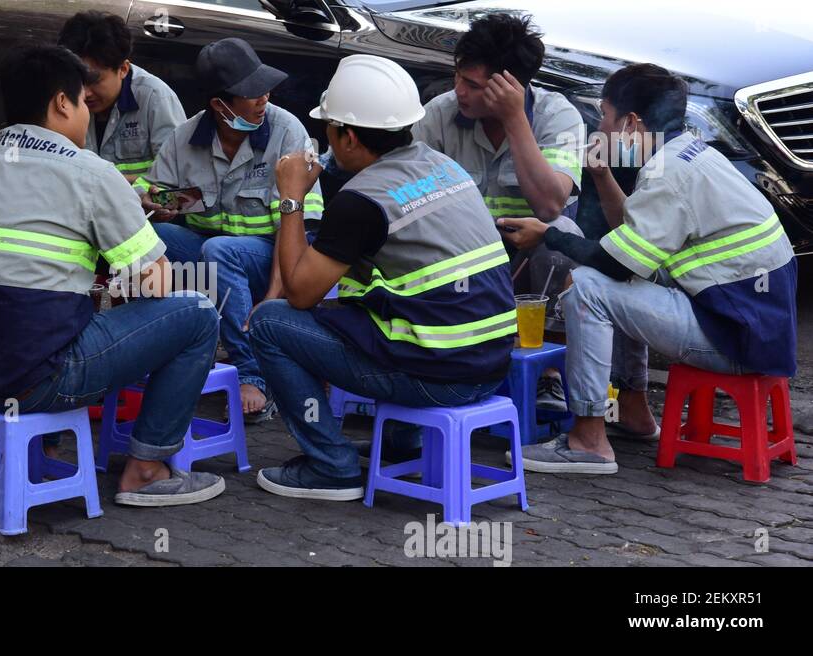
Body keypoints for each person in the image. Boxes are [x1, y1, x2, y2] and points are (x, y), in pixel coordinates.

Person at [0, 46, 225, 507]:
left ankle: (31, 446)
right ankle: (145, 469)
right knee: (198, 313)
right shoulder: (90, 172)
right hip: (38, 382)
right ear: (62, 103)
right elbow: (158, 286)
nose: (87, 112)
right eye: (84, 102)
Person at [498, 64, 797, 474]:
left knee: (589, 286)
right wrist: (601, 176)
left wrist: (548, 236)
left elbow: (616, 264)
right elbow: (634, 242)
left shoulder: (667, 174)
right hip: (754, 324)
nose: (599, 126)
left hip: (736, 338)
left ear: (631, 122)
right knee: (619, 275)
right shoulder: (690, 151)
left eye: (604, 115)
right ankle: (634, 413)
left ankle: (588, 441)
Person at [249, 55, 517, 500]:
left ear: (349, 136)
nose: (325, 139)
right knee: (370, 313)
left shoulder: (362, 201)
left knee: (271, 324)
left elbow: (298, 293)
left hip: (441, 377)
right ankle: (399, 442)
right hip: (490, 365)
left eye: (330, 129)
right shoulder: (441, 164)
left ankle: (331, 467)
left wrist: (292, 197)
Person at [134, 37, 325, 422]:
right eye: (250, 92)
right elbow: (150, 189)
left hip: (273, 258)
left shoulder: (287, 131)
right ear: (219, 105)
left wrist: (272, 299)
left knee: (220, 250)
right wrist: (154, 202)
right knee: (151, 240)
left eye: (264, 87)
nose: (263, 97)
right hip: (213, 257)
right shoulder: (185, 138)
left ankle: (254, 373)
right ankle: (159, 355)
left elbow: (300, 228)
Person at [411, 14, 586, 413]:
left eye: (473, 85)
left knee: (561, 231)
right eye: (457, 77)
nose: (459, 91)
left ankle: (547, 376)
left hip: (522, 260)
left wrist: (514, 119)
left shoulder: (557, 117)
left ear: (513, 86)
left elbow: (549, 204)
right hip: (455, 258)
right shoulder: (439, 114)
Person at [57, 10, 185, 182]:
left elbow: (177, 174)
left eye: (94, 80)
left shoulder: (154, 98)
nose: (85, 93)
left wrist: (109, 184)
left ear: (123, 69)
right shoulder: (61, 95)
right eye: (77, 80)